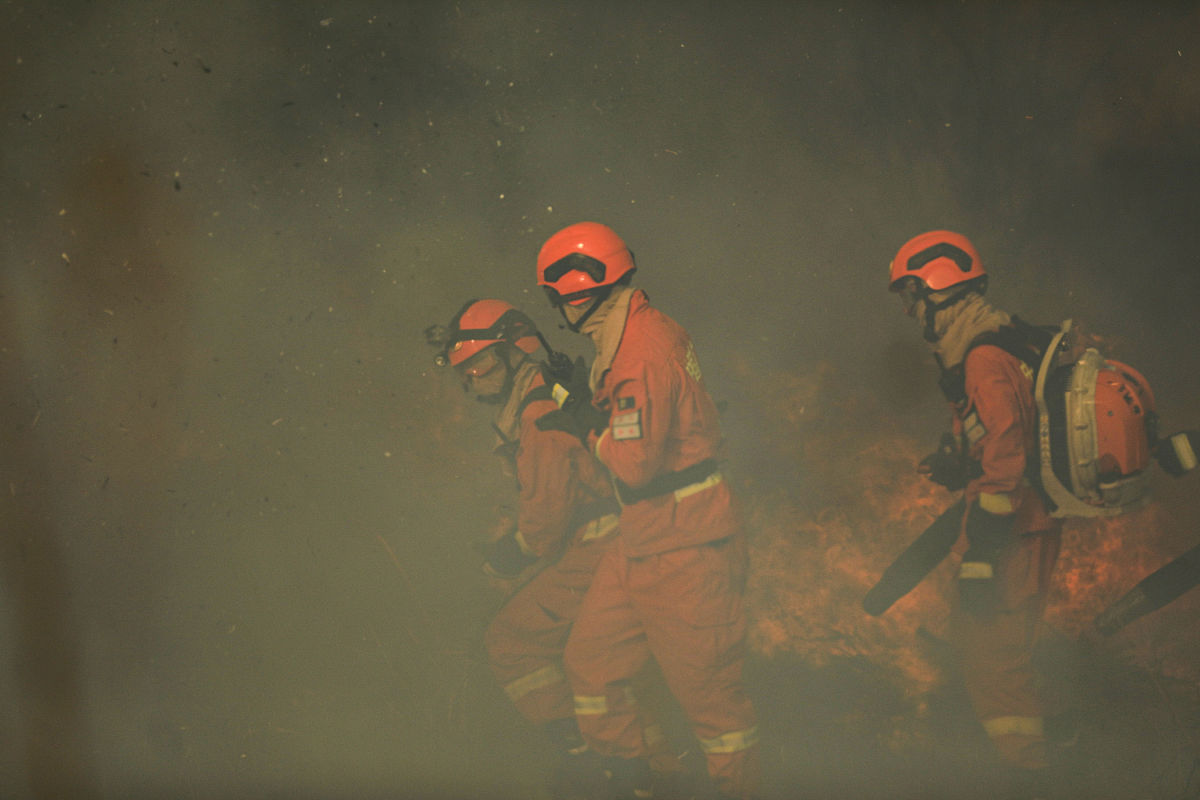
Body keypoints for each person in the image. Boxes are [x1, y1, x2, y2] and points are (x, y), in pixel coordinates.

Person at [535, 222, 760, 800]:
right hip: (643, 537)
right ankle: (644, 782)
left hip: (687, 546)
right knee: (592, 664)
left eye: (566, 296)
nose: (566, 305)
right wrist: (584, 403)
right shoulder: (638, 332)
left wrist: (586, 422)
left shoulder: (639, 353)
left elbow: (634, 463)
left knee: (710, 699)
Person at [424, 298, 623, 799]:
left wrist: (511, 552)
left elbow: (549, 517)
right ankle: (634, 768)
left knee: (511, 642)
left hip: (604, 545)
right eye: (465, 370)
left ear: (516, 350)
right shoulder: (544, 393)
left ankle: (586, 760)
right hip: (613, 538)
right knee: (601, 665)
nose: (473, 379)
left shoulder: (537, 409)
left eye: (482, 363)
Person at [888, 230, 1064, 794]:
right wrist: (960, 466)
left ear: (939, 289)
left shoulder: (984, 358)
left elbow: (1009, 460)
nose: (912, 310)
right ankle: (1035, 749)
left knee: (996, 656)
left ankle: (1028, 774)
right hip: (1017, 520)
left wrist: (983, 555)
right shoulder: (998, 341)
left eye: (913, 294)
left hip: (1013, 530)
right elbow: (1002, 444)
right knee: (982, 637)